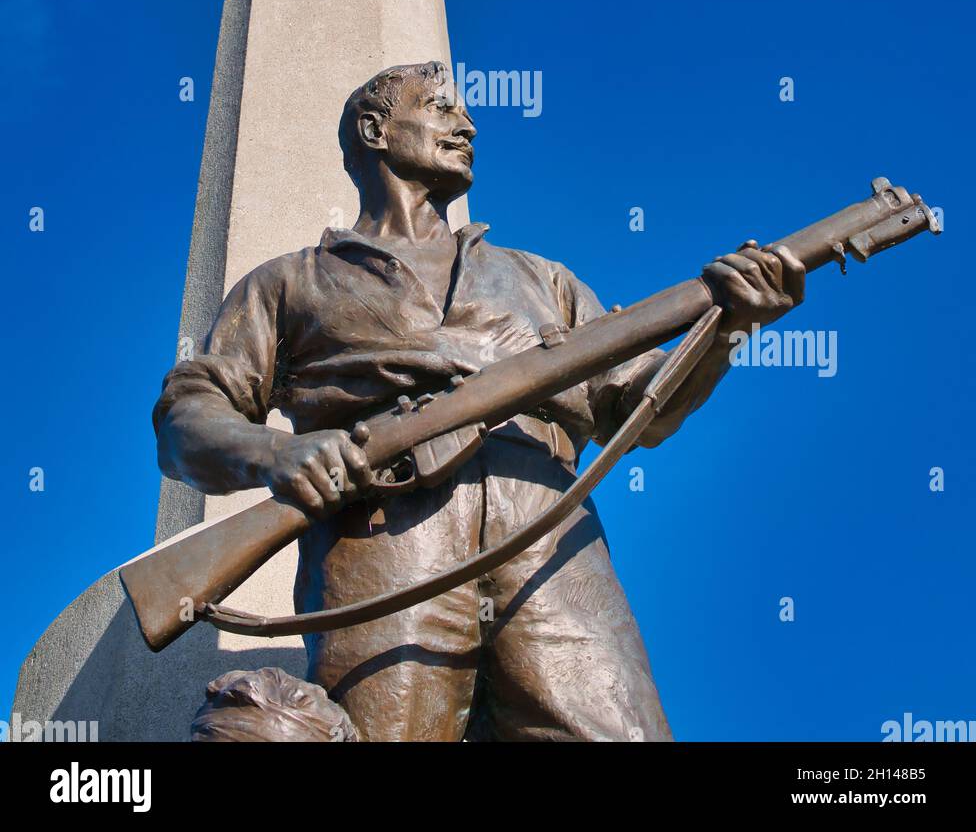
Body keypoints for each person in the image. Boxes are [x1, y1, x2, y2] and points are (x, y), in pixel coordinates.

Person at [154, 60, 804, 741]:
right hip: (386, 536)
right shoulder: (291, 282)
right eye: (440, 109)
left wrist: (727, 328)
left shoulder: (539, 278)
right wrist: (276, 453)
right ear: (375, 131)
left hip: (547, 532)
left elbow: (641, 406)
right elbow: (187, 416)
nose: (466, 126)